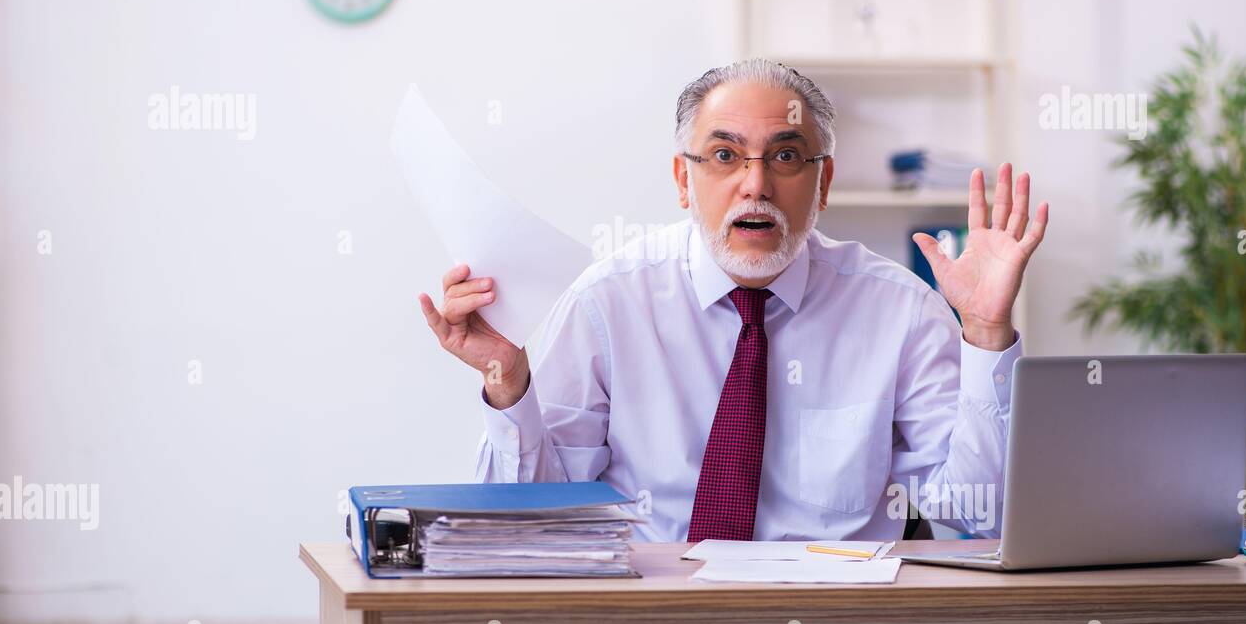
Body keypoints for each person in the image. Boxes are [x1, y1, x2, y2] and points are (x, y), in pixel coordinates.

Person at [419, 59, 1049, 542]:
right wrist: (509, 382)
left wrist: (987, 331)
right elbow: (529, 520)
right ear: (682, 180)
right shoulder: (607, 304)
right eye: (724, 155)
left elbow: (976, 513)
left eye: (786, 155)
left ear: (823, 182)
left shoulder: (902, 312)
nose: (756, 184)